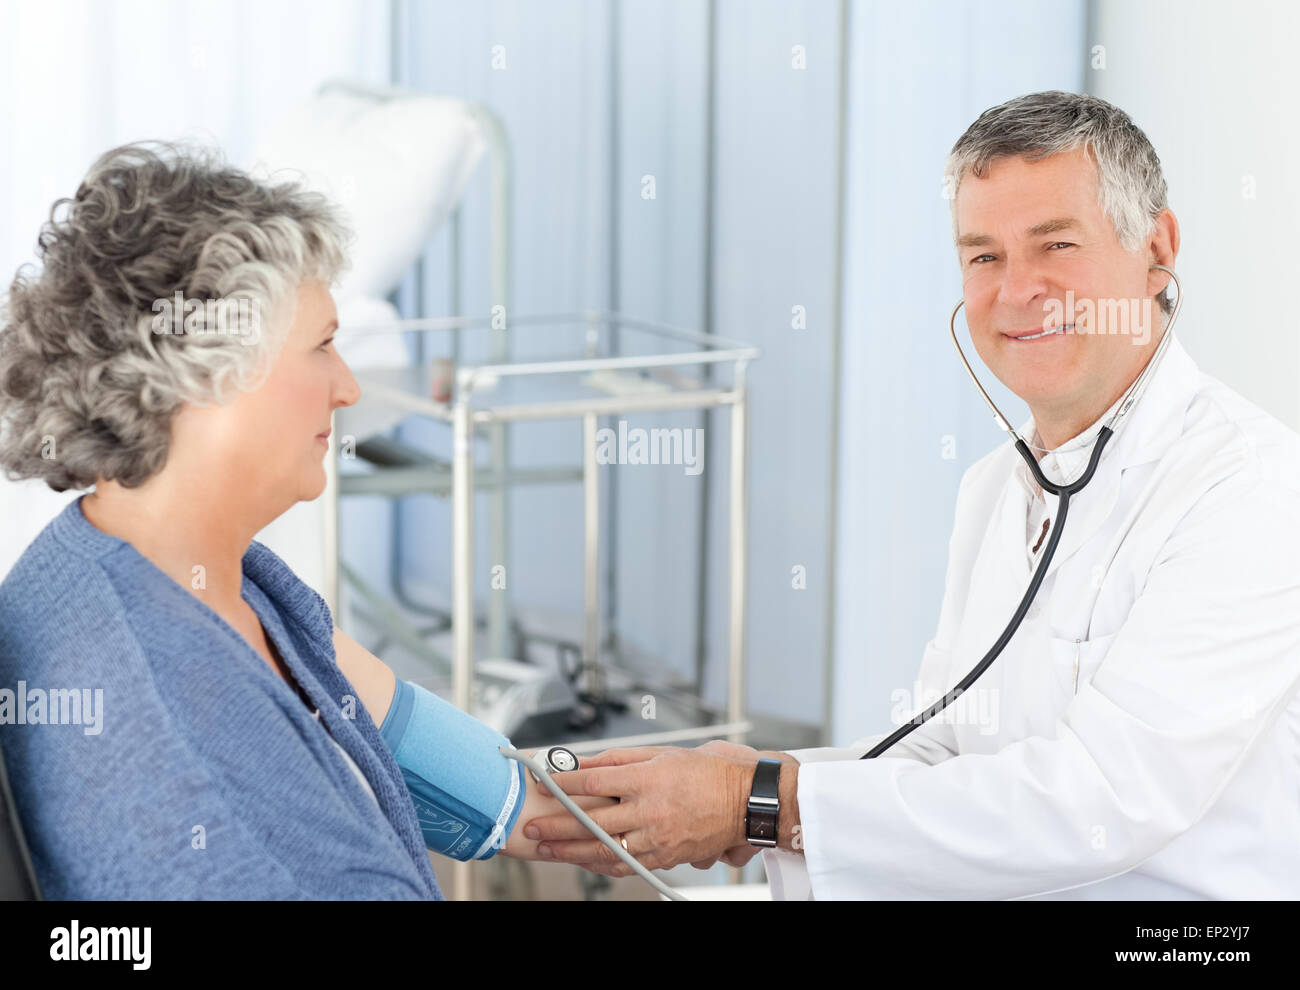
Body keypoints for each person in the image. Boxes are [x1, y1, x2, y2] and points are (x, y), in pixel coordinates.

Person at [523, 91, 1300, 899]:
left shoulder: (1249, 492)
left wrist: (759, 807)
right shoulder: (996, 488)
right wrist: (761, 779)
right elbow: (944, 750)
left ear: (1157, 247)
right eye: (983, 255)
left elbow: (1102, 798)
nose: (1016, 290)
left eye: (1055, 244)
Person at [0, 140, 608, 899]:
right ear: (205, 373)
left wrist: (734, 804)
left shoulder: (196, 568)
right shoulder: (169, 740)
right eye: (323, 346)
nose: (348, 388)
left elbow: (418, 744)